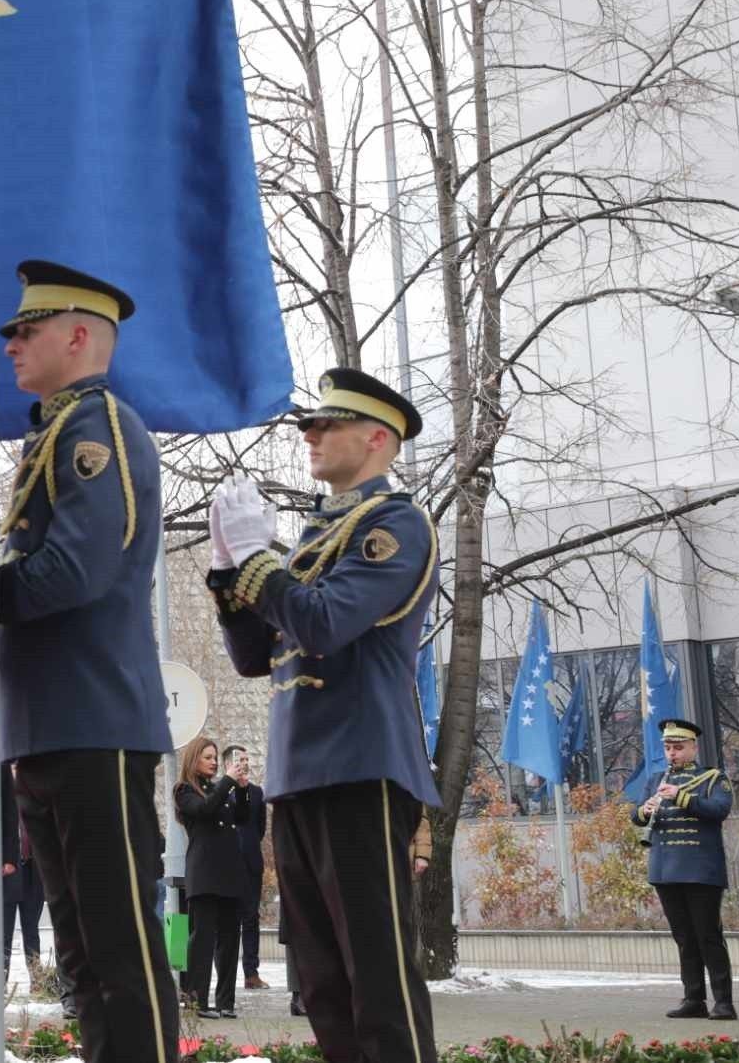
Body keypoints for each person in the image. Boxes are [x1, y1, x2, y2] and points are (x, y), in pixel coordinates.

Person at [208, 367, 440, 1063]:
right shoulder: (316, 539)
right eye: (310, 424)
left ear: (378, 440)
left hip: (359, 764)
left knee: (377, 973)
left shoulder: (394, 524)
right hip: (300, 771)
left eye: (327, 424)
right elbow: (255, 656)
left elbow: (323, 623)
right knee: (321, 980)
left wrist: (258, 561)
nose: (310, 434)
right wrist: (230, 574)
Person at [0, 261, 175, 1063]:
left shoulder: (97, 427)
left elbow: (76, 570)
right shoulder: (59, 428)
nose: (11, 345)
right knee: (82, 955)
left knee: (118, 948)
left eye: (25, 330)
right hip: (54, 720)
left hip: (94, 716)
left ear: (76, 336)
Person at [627, 717, 734, 1021]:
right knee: (684, 938)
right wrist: (644, 810)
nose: (672, 753)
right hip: (666, 868)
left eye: (678, 747)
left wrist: (682, 796)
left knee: (708, 936)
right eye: (668, 748)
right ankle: (693, 998)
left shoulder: (712, 778)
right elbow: (636, 815)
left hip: (701, 869)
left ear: (693, 748)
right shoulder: (655, 780)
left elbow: (719, 809)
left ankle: (724, 1002)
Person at [172, 735, 250, 1019]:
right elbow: (204, 810)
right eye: (208, 757)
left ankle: (226, 1002)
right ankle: (197, 1001)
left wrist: (242, 790)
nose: (214, 762)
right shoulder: (184, 790)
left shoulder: (220, 789)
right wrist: (228, 781)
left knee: (230, 939)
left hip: (229, 872)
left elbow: (241, 818)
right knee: (202, 939)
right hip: (204, 873)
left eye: (215, 758)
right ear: (194, 760)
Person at [224, 746, 268, 990]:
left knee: (251, 918)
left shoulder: (257, 792)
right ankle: (225, 976)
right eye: (238, 759)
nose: (244, 763)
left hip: (251, 862)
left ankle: (251, 973)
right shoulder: (220, 790)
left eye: (246, 759)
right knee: (228, 920)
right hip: (227, 864)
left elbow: (259, 828)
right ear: (227, 763)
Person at [1, 761, 45, 982]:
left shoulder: (34, 795)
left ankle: (38, 980)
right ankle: (0, 981)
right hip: (8, 870)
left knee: (32, 929)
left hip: (32, 869)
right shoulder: (1, 797)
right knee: (3, 932)